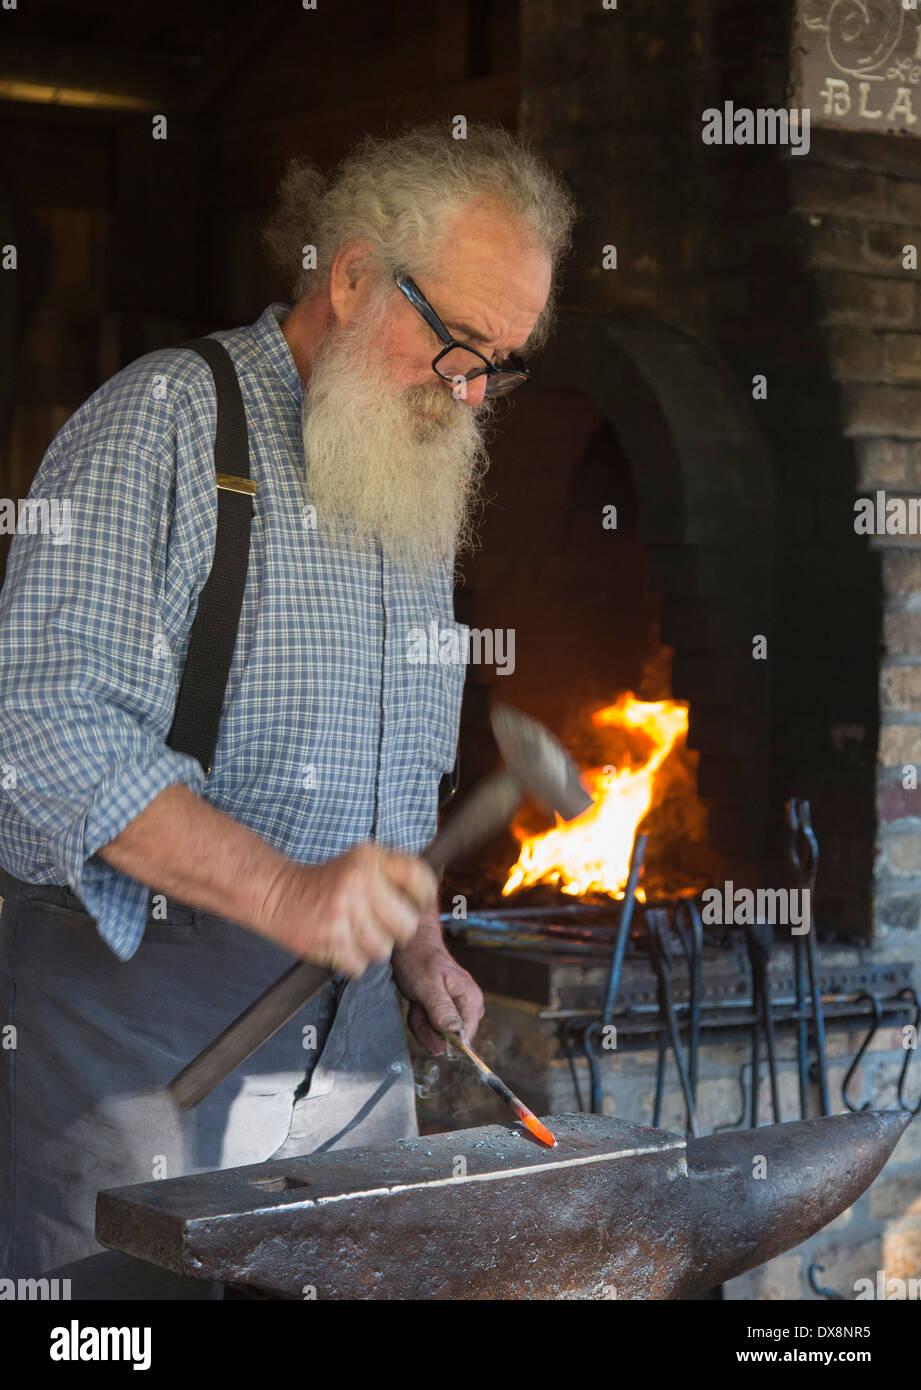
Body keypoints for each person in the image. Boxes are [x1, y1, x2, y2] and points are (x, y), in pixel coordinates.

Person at [0, 122, 575, 1297]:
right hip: (140, 1055)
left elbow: (393, 766)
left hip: (354, 1067)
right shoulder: (161, 424)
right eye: (459, 343)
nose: (472, 391)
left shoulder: (415, 460)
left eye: (501, 364)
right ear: (354, 275)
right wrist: (284, 891)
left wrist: (413, 940)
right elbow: (39, 735)